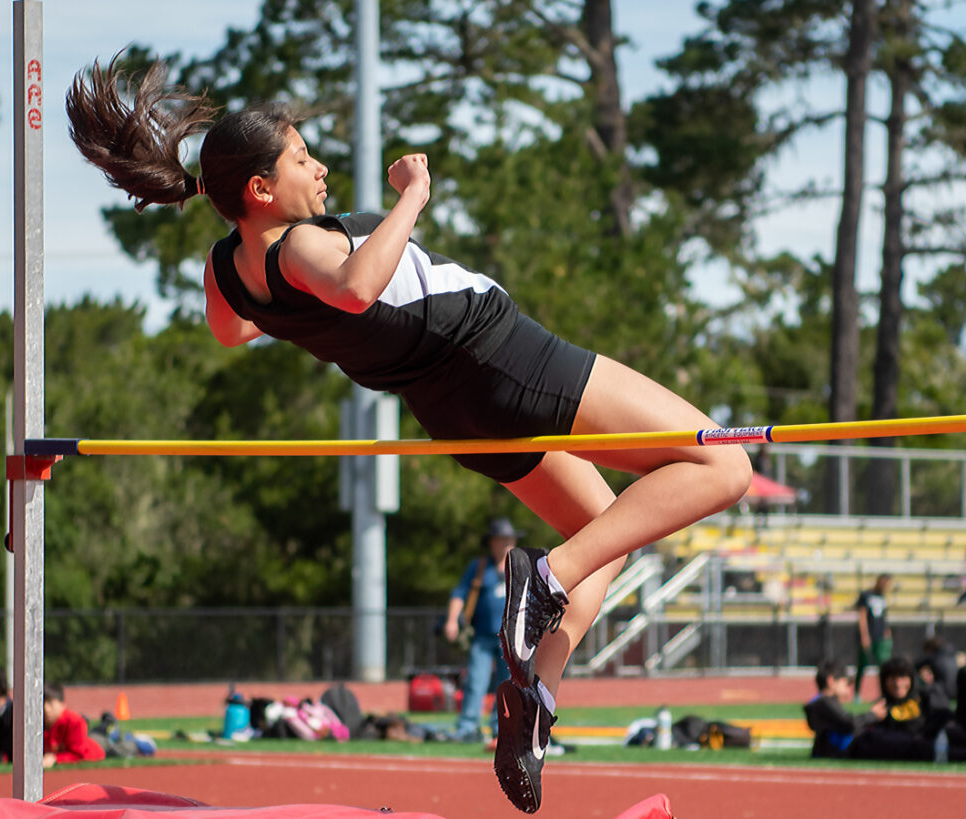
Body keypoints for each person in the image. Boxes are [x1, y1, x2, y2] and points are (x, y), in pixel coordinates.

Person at [65, 58, 752, 813]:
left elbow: (232, 331)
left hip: (453, 410)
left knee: (606, 534)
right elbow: (358, 288)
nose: (320, 170)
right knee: (724, 464)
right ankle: (547, 580)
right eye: (302, 158)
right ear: (260, 189)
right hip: (498, 353)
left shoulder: (229, 269)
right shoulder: (302, 246)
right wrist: (413, 195)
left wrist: (291, 295)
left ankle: (537, 697)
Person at [443, 518, 519, 744]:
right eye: (502, 540)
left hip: (510, 638)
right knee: (476, 680)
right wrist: (452, 620)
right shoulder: (480, 567)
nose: (507, 544)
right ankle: (467, 727)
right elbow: (459, 593)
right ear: (492, 543)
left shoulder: (519, 567)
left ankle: (500, 727)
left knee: (507, 685)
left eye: (510, 540)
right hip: (483, 636)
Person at [803, 659, 885, 758]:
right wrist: (873, 715)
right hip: (834, 753)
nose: (848, 689)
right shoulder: (823, 702)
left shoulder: (822, 702)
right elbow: (850, 723)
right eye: (847, 684)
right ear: (831, 681)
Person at [42, 683, 106, 767]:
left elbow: (79, 754)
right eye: (42, 703)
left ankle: (108, 724)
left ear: (62, 704)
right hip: (88, 738)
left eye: (50, 703)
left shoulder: (75, 721)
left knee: (117, 745)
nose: (46, 708)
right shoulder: (37, 723)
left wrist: (56, 758)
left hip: (97, 746)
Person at [854, 573, 893, 700]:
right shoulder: (866, 595)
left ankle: (883, 693)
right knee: (862, 665)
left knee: (883, 667)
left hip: (881, 637)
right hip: (870, 636)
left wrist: (887, 631)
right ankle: (857, 693)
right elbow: (862, 616)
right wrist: (865, 635)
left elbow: (884, 617)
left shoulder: (882, 597)